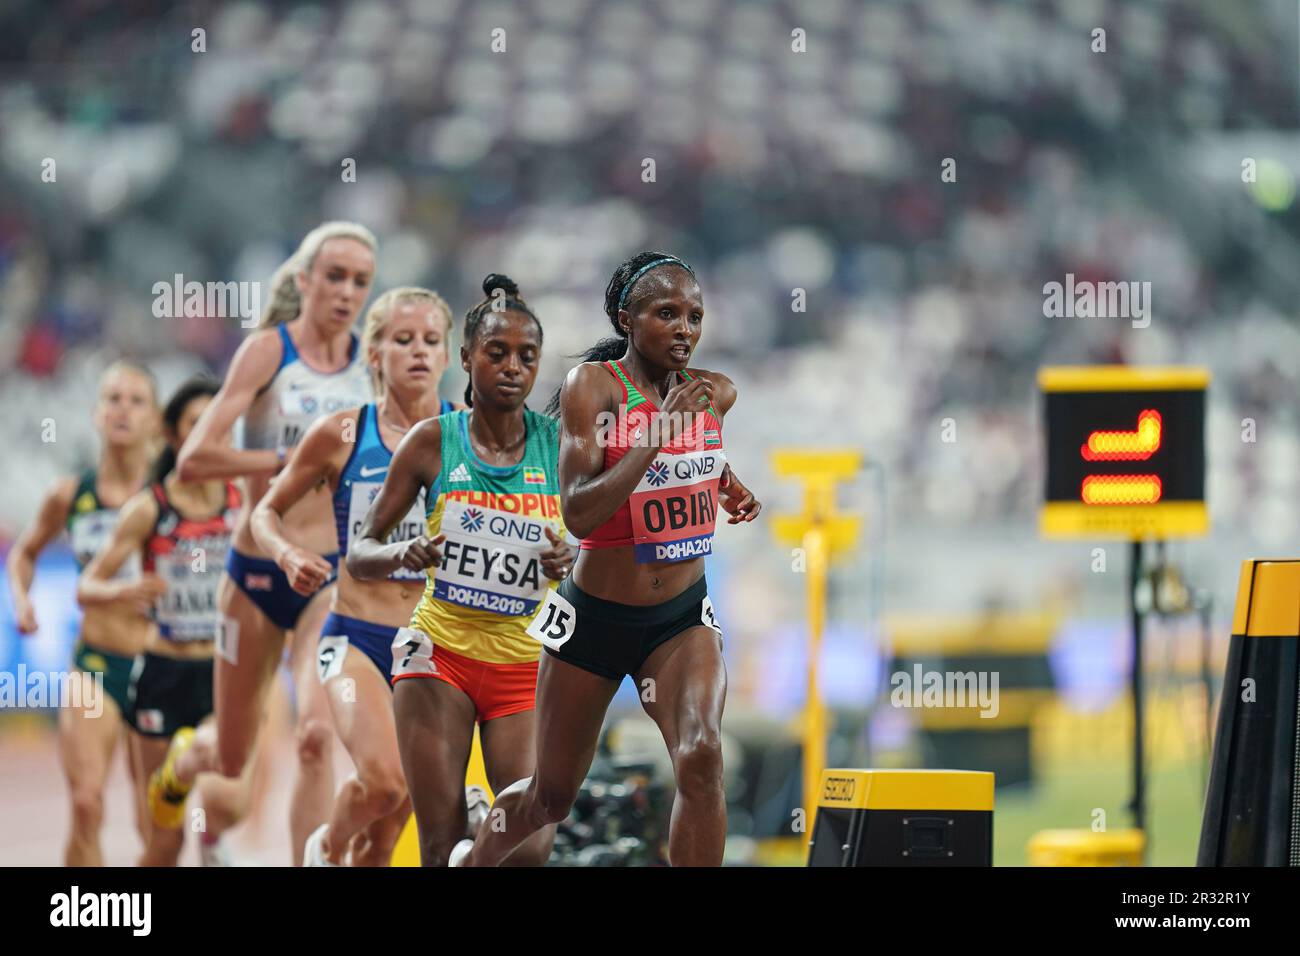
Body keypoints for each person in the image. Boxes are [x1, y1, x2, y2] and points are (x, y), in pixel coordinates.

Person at [455, 252, 760, 867]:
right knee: (551, 797)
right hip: (594, 621)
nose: (684, 329)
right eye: (666, 313)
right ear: (626, 318)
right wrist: (654, 434)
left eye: (694, 316)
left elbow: (694, 456)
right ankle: (473, 858)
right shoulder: (592, 387)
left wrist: (726, 482)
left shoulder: (714, 393)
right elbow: (578, 511)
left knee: (701, 756)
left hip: (680, 620)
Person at [348, 275, 573, 866]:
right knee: (437, 843)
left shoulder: (560, 446)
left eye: (527, 357)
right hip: (437, 658)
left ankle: (485, 822)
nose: (513, 368)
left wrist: (571, 557)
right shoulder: (430, 443)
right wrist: (405, 553)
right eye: (497, 353)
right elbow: (360, 552)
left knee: (531, 848)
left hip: (524, 666)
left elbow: (601, 545)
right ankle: (468, 827)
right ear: (468, 357)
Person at [176, 221, 377, 863]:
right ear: (306, 281)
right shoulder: (269, 352)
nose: (347, 292)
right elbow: (193, 459)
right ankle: (186, 771)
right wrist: (281, 463)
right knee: (232, 758)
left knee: (317, 736)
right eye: (336, 276)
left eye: (360, 282)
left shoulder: (372, 363)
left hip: (328, 575)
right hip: (258, 572)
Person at [250, 286, 459, 865]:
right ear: (374, 354)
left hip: (438, 648)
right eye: (402, 339)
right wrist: (289, 555)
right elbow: (265, 511)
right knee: (386, 782)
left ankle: (357, 849)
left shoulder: (470, 436)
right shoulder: (341, 434)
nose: (418, 351)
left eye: (430, 340)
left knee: (391, 830)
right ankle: (328, 845)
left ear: (447, 356)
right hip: (354, 640)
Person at [77, 377, 252, 866]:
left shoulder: (244, 501)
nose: (212, 434)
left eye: (219, 423)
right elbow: (86, 587)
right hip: (161, 674)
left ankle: (210, 831)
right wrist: (123, 591)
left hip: (221, 673)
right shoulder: (149, 508)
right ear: (175, 437)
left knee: (227, 802)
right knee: (163, 843)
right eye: (197, 424)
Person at [6, 361, 160, 865]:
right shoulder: (71, 494)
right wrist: (23, 601)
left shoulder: (171, 494)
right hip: (95, 663)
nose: (122, 409)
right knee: (87, 802)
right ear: (95, 414)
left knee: (154, 820)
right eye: (112, 398)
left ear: (155, 420)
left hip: (161, 667)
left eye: (136, 400)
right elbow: (24, 552)